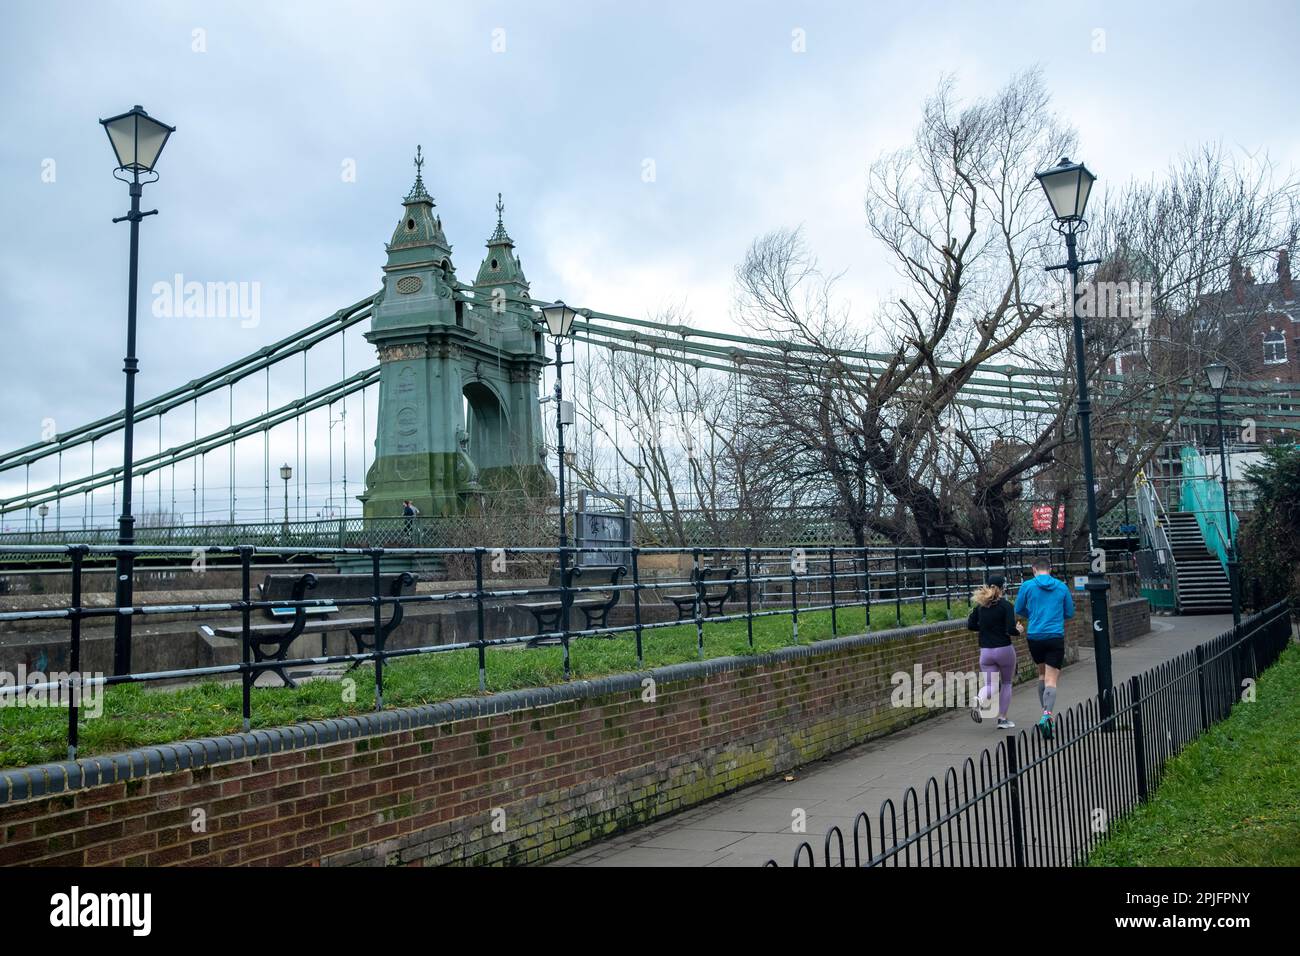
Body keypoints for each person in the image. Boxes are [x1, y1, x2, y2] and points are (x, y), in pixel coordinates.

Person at [1013, 556, 1075, 740]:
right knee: (1052, 680)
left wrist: (1032, 614)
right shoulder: (1061, 586)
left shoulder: (1027, 586)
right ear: (1051, 569)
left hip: (1035, 636)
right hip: (1055, 636)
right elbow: (1069, 612)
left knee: (1041, 675)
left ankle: (1045, 713)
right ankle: (1047, 715)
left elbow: (1019, 608)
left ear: (1034, 569)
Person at [966, 574, 1020, 730]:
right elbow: (1010, 629)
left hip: (986, 652)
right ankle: (1002, 719)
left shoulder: (980, 606)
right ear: (1002, 588)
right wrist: (1019, 631)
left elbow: (970, 625)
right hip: (1004, 649)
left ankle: (979, 698)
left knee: (991, 685)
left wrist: (984, 628)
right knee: (1007, 683)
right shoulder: (1006, 606)